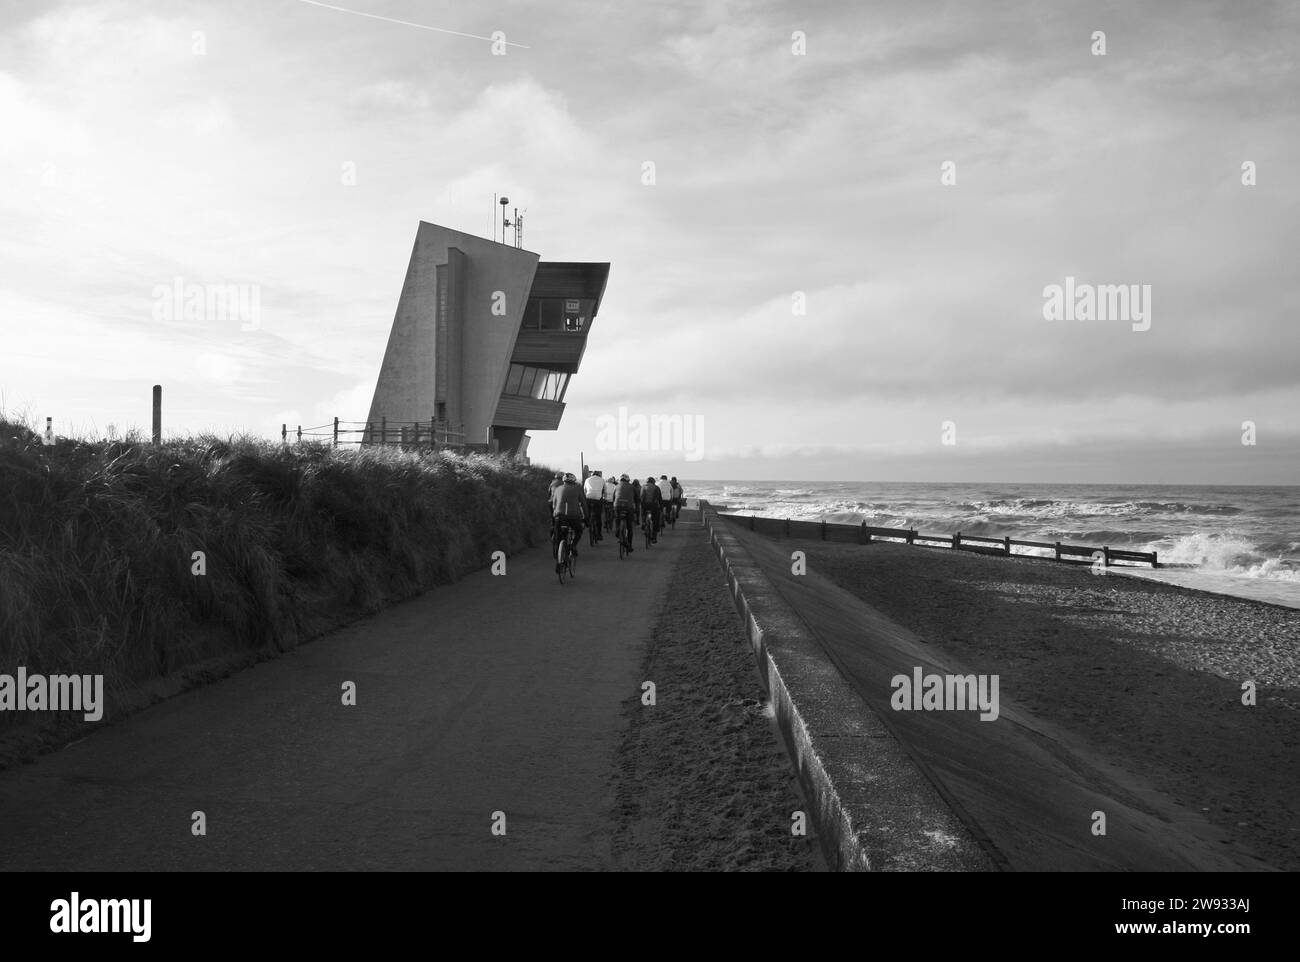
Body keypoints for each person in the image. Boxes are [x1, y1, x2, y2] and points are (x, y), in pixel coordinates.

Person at [551, 472, 587, 561]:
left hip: (559, 516)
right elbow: (583, 504)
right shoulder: (578, 489)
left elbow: (554, 505)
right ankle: (573, 545)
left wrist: (555, 515)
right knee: (579, 530)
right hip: (574, 517)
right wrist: (586, 517)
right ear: (574, 481)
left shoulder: (558, 489)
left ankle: (558, 557)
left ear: (564, 481)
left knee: (558, 535)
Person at [613, 473, 637, 551]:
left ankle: (617, 531)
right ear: (628, 480)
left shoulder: (616, 486)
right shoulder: (632, 486)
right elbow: (637, 498)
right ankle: (629, 545)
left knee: (617, 519)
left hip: (618, 505)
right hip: (628, 507)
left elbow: (614, 497)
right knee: (629, 527)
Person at [583, 470, 605, 542]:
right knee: (598, 516)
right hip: (598, 500)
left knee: (588, 513)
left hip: (588, 498)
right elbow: (604, 491)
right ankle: (599, 534)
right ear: (598, 475)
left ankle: (587, 522)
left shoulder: (587, 480)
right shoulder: (602, 480)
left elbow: (584, 490)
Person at [641, 475, 662, 542]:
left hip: (645, 506)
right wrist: (661, 507)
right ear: (653, 482)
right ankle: (654, 537)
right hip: (654, 506)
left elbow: (641, 497)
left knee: (643, 514)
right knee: (655, 520)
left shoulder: (643, 487)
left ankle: (644, 523)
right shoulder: (657, 488)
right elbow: (660, 499)